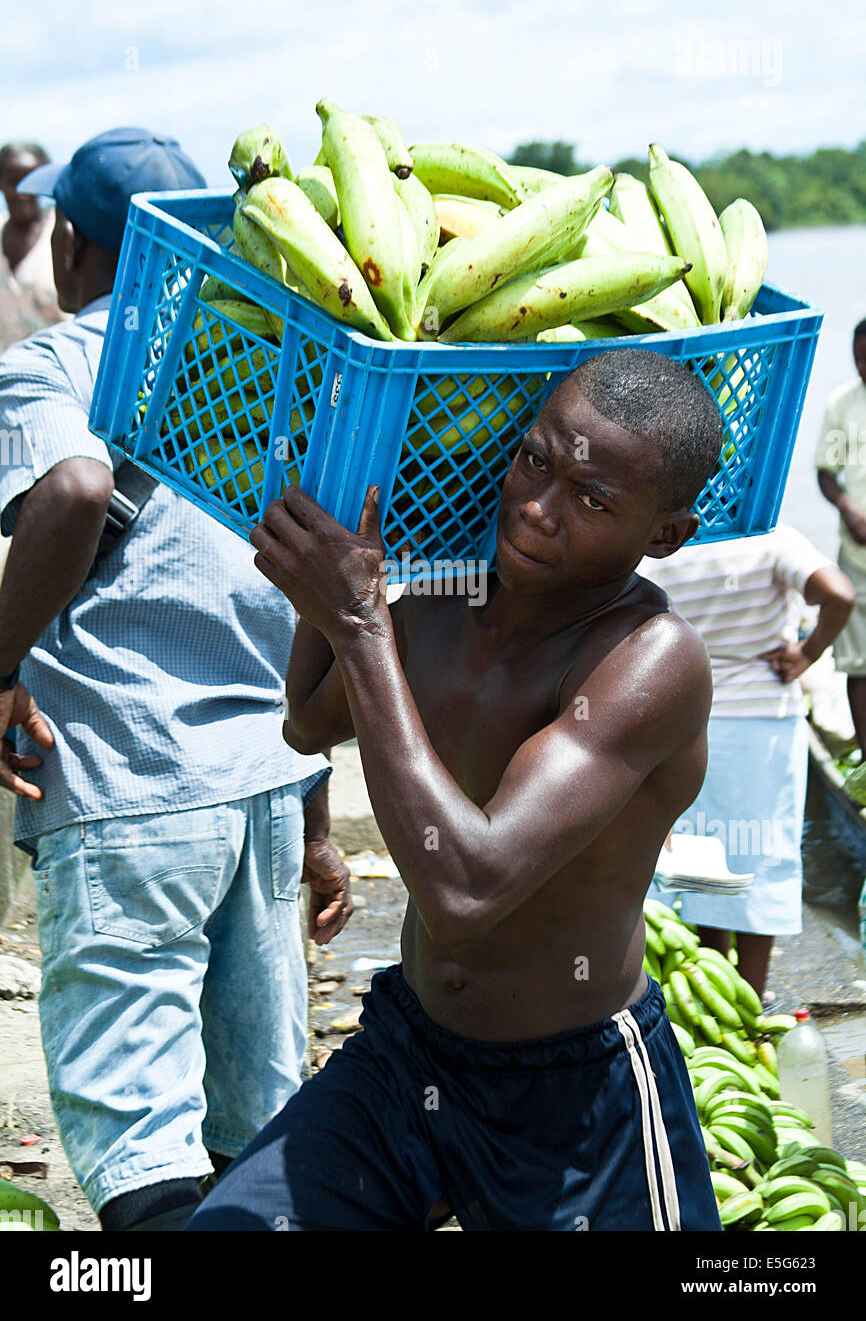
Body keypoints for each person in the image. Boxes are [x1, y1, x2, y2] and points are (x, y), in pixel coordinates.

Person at [188, 349, 726, 1233]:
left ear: (664, 535)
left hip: (578, 1102)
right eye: (533, 461)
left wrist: (359, 622)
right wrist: (334, 562)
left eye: (593, 502)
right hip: (411, 1054)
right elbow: (308, 722)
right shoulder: (444, 598)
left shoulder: (650, 660)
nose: (538, 509)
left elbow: (467, 891)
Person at [0, 128, 353, 1232]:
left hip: (130, 790)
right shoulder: (267, 376)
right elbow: (301, 605)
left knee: (138, 1137)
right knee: (255, 1132)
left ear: (73, 241)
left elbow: (72, 490)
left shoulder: (55, 362)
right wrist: (318, 822)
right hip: (265, 792)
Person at [642, 525, 853, 1001]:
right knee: (758, 857)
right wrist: (807, 653)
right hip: (760, 724)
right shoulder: (774, 538)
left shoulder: (663, 538)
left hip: (678, 718)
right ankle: (751, 1003)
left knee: (698, 858)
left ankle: (708, 993)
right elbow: (839, 593)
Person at [815, 319, 866, 755]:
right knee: (858, 662)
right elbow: (827, 473)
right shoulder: (842, 404)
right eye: (857, 358)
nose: (862, 367)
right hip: (857, 555)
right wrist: (849, 510)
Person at [0, 142, 63, 349]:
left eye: (32, 181)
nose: (23, 192)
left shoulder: (66, 235)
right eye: (14, 182)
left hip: (55, 363)